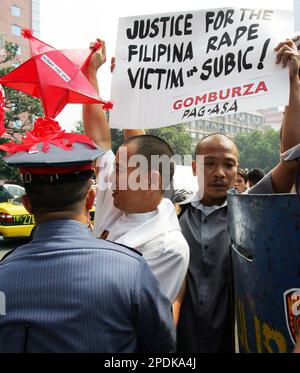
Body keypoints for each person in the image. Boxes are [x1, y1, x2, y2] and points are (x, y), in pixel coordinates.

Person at [0, 119, 175, 353]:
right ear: (91, 199)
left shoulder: (4, 276)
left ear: (27, 204)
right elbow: (162, 350)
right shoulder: (133, 272)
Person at [176, 39, 300, 353]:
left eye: (228, 165)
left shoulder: (250, 210)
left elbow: (292, 161)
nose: (219, 172)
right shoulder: (171, 215)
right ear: (194, 168)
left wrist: (293, 83)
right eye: (209, 163)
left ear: (237, 171)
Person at [82, 39, 189, 305]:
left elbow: (137, 313)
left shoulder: (167, 247)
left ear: (149, 179)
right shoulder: (117, 197)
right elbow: (99, 143)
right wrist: (93, 74)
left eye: (118, 170)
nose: (107, 177)